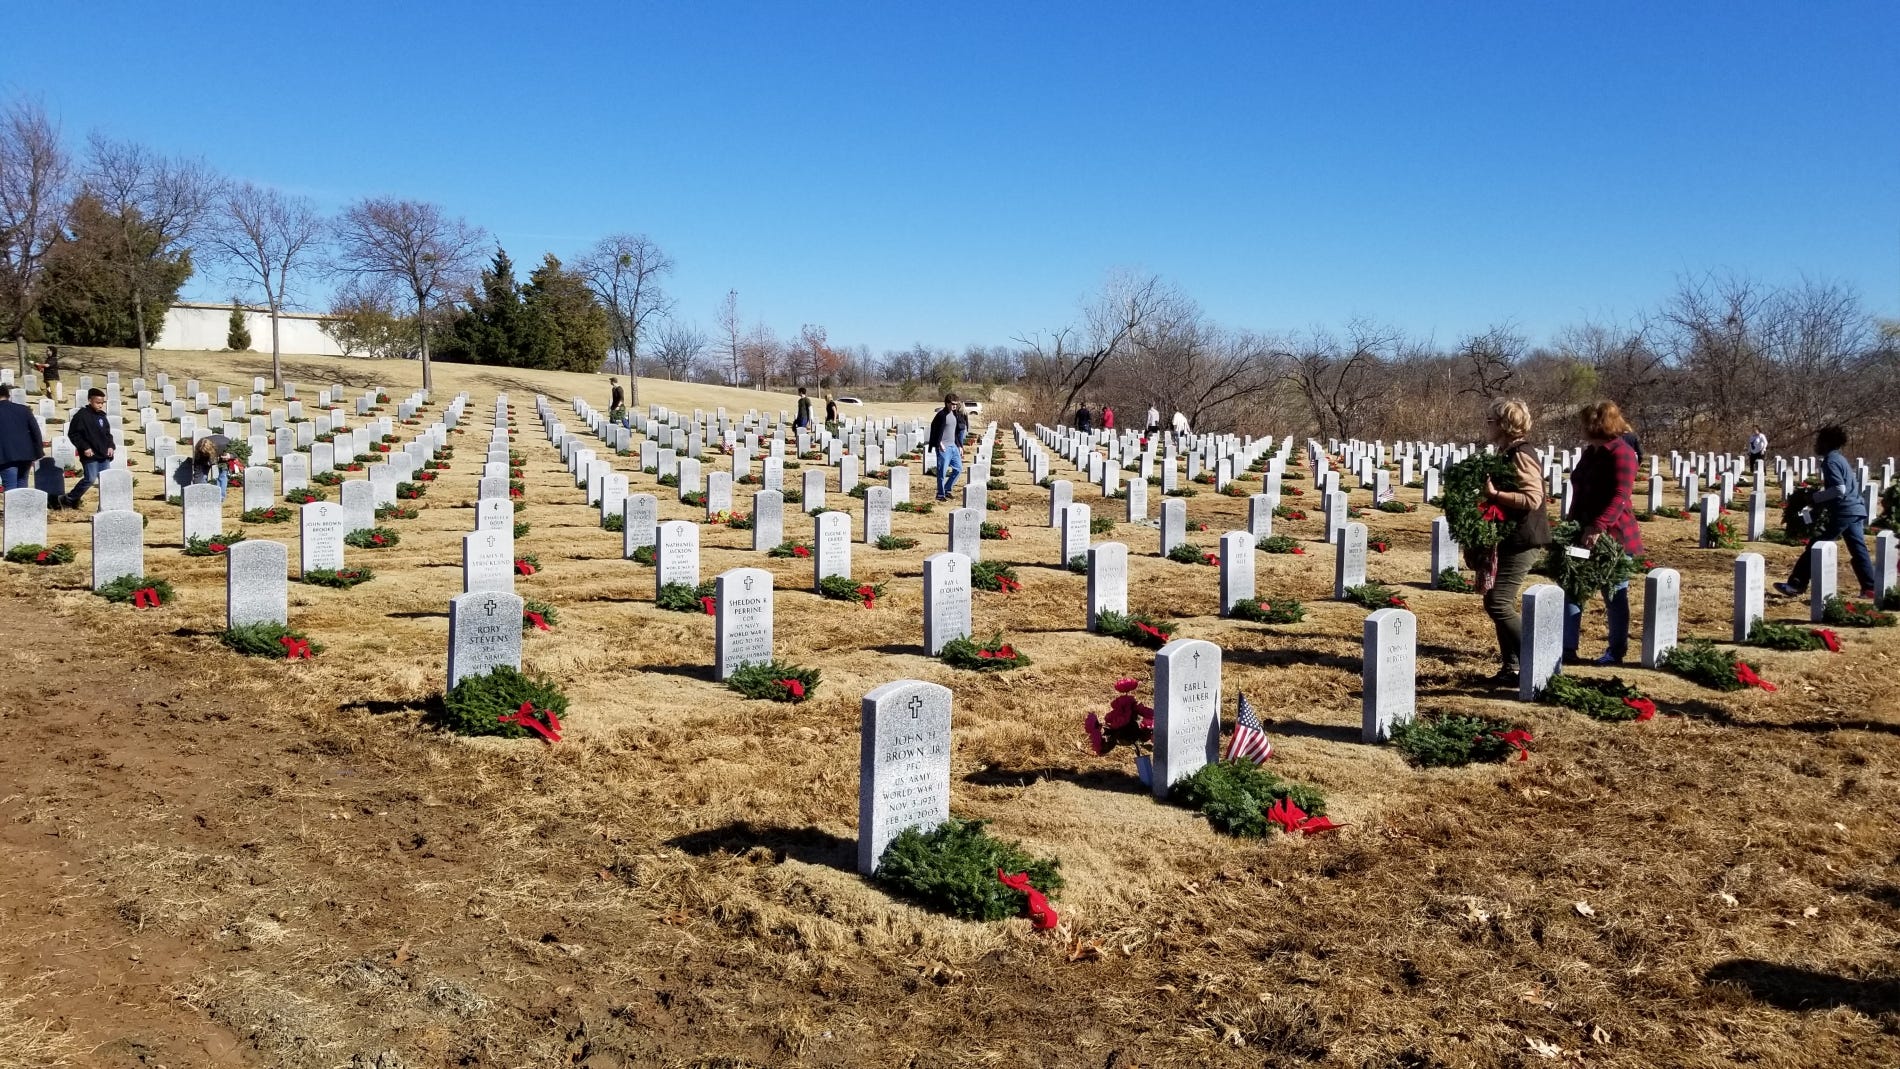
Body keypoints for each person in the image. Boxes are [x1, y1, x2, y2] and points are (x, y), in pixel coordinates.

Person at [1473, 398, 1551, 686]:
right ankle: (1513, 667)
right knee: (1494, 598)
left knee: (1498, 602)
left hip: (1524, 539)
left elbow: (1533, 498)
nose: (1487, 425)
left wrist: (1494, 495)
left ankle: (1540, 657)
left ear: (1505, 425)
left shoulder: (1521, 453)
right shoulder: (1506, 451)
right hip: (1509, 537)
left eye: (1490, 420)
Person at [1564, 401, 1644, 666]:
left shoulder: (1621, 452)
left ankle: (1616, 650)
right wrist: (1571, 527)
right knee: (1573, 587)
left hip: (1614, 536)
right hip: (1581, 532)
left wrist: (1598, 526)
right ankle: (1567, 648)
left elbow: (1621, 495)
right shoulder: (1591, 453)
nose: (1581, 427)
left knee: (1614, 593)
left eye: (1585, 422)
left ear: (1597, 424)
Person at [1775, 424, 1879, 600]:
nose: (1816, 444)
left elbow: (1839, 489)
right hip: (1855, 509)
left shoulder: (1830, 461)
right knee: (1858, 549)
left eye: (1819, 440)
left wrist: (1814, 498)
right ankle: (1870, 587)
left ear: (1826, 442)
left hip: (1843, 510)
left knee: (1816, 545)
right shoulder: (1840, 459)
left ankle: (1795, 585)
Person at [62, 387, 114, 509]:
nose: (100, 405)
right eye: (98, 402)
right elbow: (73, 434)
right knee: (90, 479)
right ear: (90, 400)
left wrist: (111, 446)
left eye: (102, 403)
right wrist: (85, 447)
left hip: (103, 454)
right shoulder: (81, 415)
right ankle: (69, 499)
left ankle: (105, 506)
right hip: (89, 454)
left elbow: (107, 434)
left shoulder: (102, 416)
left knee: (106, 481)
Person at [0, 385, 44, 491]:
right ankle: (23, 507)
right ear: (8, 396)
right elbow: (36, 432)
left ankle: (14, 508)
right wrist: (38, 452)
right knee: (22, 483)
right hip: (26, 454)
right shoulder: (23, 409)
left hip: (5, 455)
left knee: (10, 486)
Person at [929, 394, 967, 502]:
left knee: (958, 469)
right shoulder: (941, 415)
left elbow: (955, 432)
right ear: (947, 403)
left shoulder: (954, 414)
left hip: (953, 446)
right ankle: (940, 494)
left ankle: (947, 489)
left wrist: (959, 446)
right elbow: (934, 429)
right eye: (953, 404)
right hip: (943, 447)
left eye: (956, 404)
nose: (955, 406)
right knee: (942, 472)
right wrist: (939, 443)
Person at [181, 433, 233, 500]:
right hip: (204, 458)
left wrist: (230, 456)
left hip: (222, 454)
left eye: (207, 454)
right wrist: (198, 487)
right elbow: (198, 472)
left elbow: (237, 451)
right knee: (202, 476)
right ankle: (204, 495)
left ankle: (220, 496)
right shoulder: (199, 451)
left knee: (223, 475)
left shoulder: (224, 444)